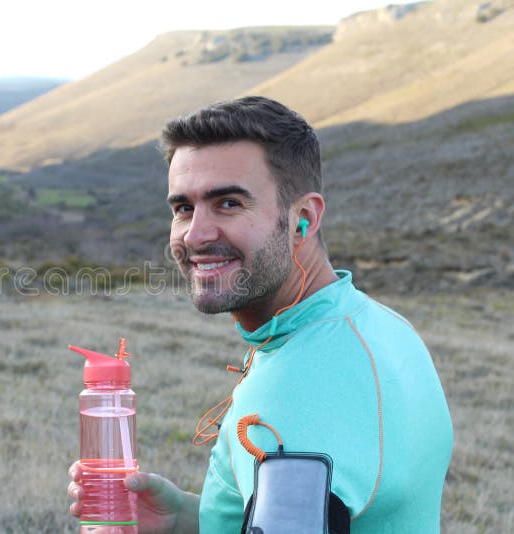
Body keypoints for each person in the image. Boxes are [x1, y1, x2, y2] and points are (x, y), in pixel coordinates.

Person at [68, 96, 453, 533]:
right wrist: (183, 519)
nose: (195, 235)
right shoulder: (376, 326)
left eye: (228, 203)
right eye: (183, 209)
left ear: (302, 218)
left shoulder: (296, 388)